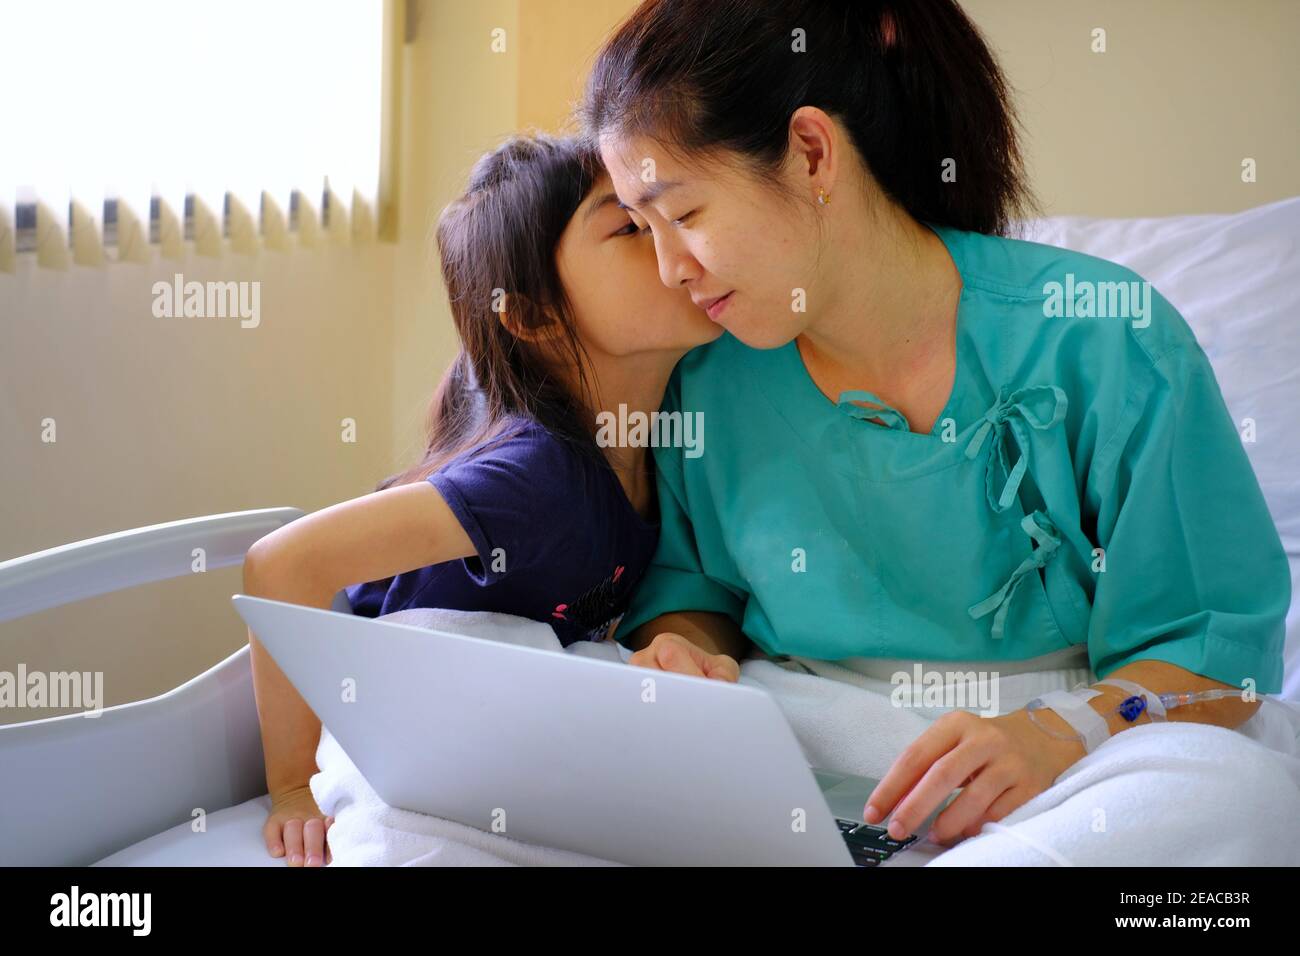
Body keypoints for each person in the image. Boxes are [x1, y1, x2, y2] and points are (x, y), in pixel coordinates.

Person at [581, 0, 1290, 847]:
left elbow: (1215, 655)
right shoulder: (708, 377)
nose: (669, 270)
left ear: (812, 152)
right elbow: (690, 595)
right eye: (640, 226)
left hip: (1072, 757)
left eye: (684, 215)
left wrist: (1060, 732)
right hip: (808, 744)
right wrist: (678, 650)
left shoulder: (1101, 334)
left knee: (1240, 793)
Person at [242, 133, 721, 865]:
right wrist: (291, 788)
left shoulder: (666, 433)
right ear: (536, 318)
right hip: (397, 709)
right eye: (628, 227)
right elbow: (282, 564)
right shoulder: (537, 479)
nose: (671, 241)